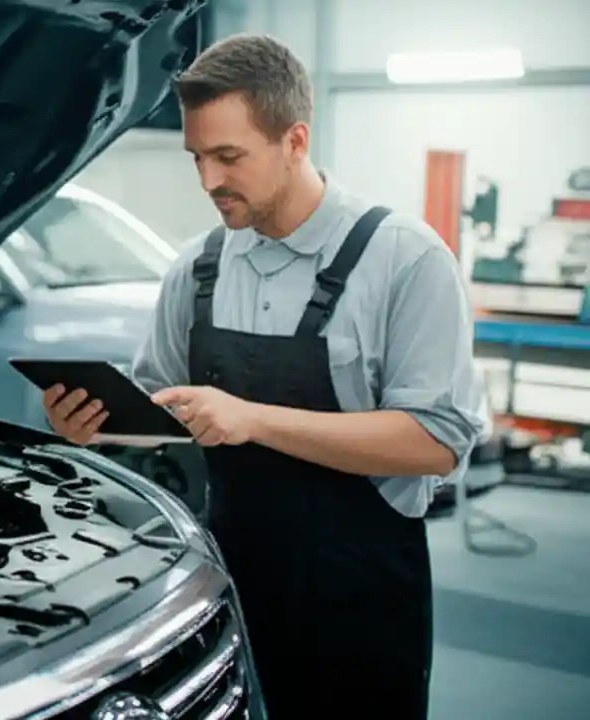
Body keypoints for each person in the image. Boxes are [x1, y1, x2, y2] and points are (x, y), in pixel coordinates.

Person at [42, 33, 484, 719]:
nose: (208, 181)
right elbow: (155, 406)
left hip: (360, 601)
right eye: (197, 157)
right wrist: (93, 429)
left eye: (228, 156)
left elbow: (436, 441)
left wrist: (250, 419)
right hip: (228, 585)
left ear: (295, 140)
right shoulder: (197, 268)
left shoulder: (406, 260)